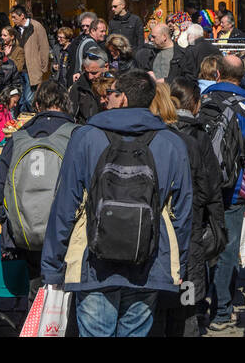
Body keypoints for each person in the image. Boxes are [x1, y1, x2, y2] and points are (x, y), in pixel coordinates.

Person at [41, 70, 192, 338]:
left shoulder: (85, 137)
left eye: (111, 93)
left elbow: (65, 204)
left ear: (122, 99)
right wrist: (178, 263)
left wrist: (53, 266)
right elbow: (183, 212)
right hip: (150, 261)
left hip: (93, 262)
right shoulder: (171, 142)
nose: (106, 98)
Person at [0, 80, 78, 293]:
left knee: (35, 287)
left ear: (37, 106)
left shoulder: (18, 137)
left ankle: (35, 322)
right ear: (65, 103)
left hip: (26, 232)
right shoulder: (77, 134)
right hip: (66, 231)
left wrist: (13, 224)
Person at [199, 54, 245, 330]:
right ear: (243, 77)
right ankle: (222, 312)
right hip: (234, 189)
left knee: (199, 244)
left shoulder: (199, 100)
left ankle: (196, 304)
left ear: (217, 74)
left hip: (200, 185)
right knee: (226, 248)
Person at [162, 75, 225, 336]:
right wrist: (218, 227)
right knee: (188, 295)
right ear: (195, 104)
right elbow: (211, 187)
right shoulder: (198, 136)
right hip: (191, 226)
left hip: (164, 227)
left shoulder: (158, 133)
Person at [10, 4, 51, 90]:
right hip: (19, 69)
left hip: (33, 69)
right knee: (21, 99)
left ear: (22, 16)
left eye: (14, 17)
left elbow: (44, 47)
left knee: (29, 99)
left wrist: (43, 68)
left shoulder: (36, 26)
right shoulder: (15, 29)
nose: (12, 20)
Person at [68, 54, 108, 122]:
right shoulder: (79, 86)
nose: (90, 77)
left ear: (105, 68)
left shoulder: (113, 85)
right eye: (87, 72)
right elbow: (70, 114)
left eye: (94, 73)